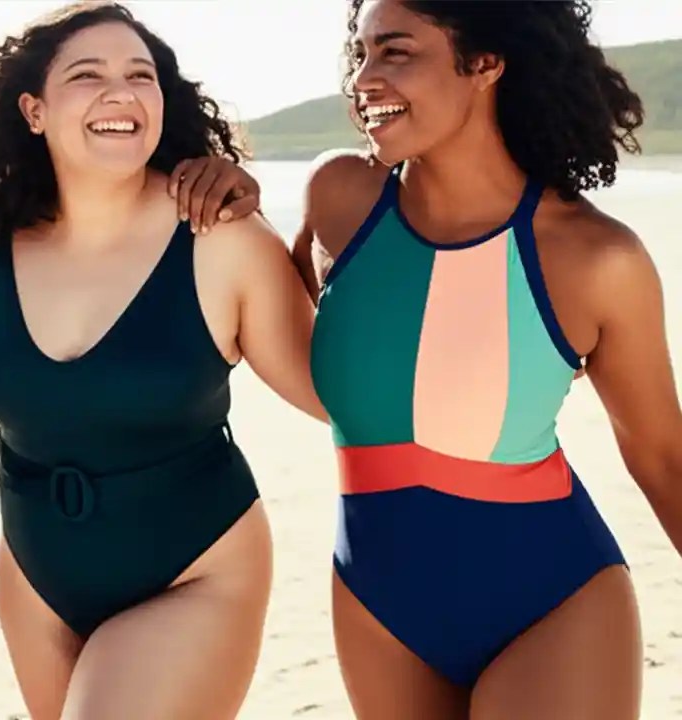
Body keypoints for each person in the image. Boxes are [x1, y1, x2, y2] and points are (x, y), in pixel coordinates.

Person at [173, 1, 682, 718]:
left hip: (553, 601)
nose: (363, 78)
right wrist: (237, 210)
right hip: (378, 605)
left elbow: (663, 457)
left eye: (396, 52)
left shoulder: (594, 258)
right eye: (361, 53)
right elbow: (280, 332)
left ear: (484, 63)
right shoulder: (341, 198)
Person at [0, 2, 325, 718]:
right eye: (87, 74)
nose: (120, 91)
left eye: (141, 75)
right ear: (34, 110)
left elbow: (334, 393)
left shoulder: (220, 237)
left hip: (196, 571)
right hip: (34, 581)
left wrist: (326, 235)